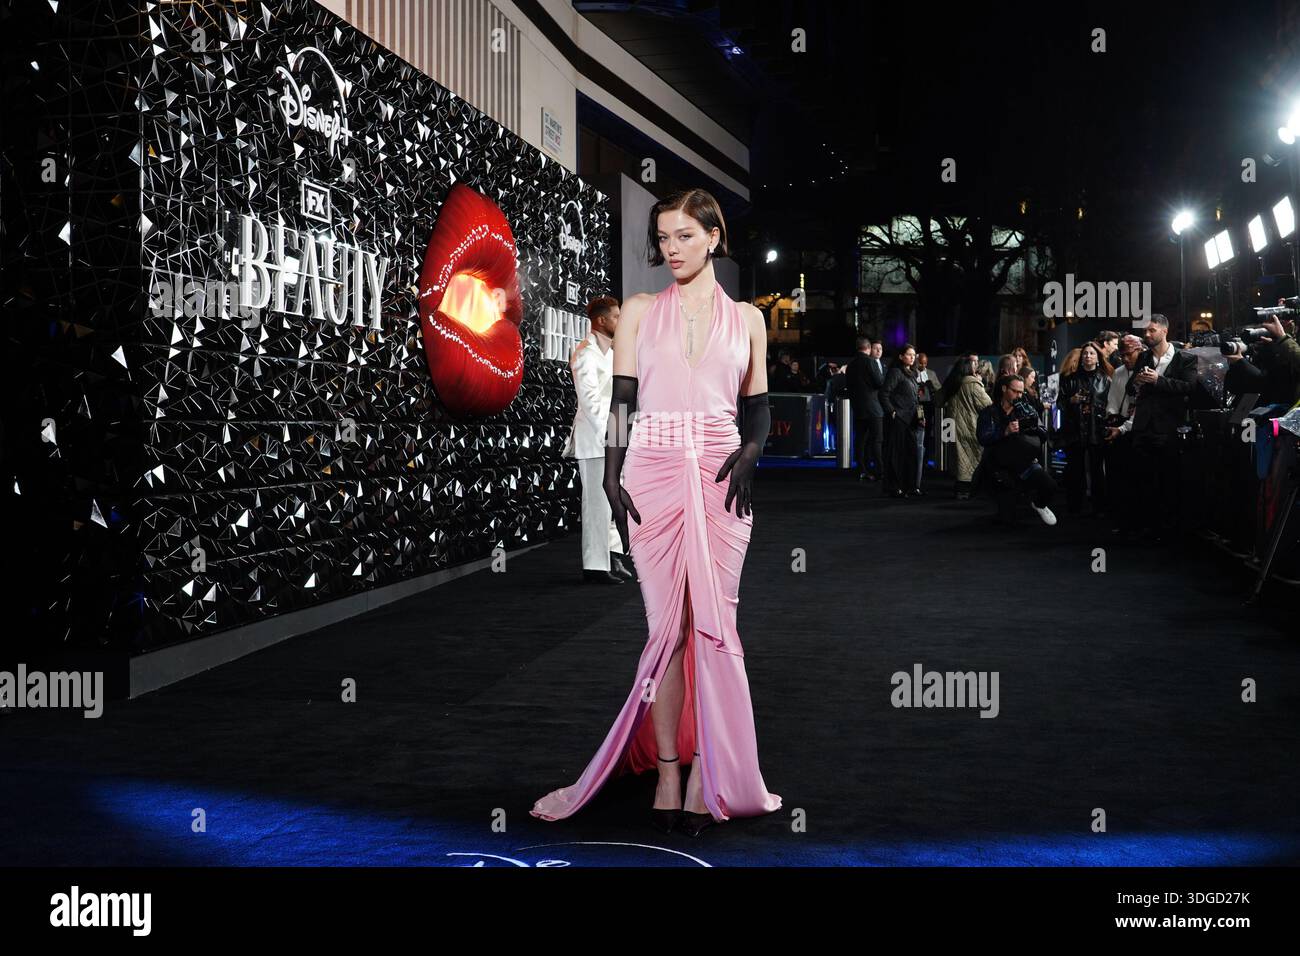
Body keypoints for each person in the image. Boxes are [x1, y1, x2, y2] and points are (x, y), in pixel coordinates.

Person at [531, 188, 781, 837]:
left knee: (714, 627)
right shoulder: (640, 312)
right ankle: (669, 770)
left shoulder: (749, 319)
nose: (670, 249)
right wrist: (612, 476)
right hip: (655, 472)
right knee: (666, 630)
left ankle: (709, 772)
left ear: (714, 238)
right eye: (663, 238)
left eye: (683, 237)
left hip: (723, 476)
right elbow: (621, 401)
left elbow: (757, 406)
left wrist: (753, 451)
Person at [563, 296, 634, 584]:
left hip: (615, 434)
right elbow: (590, 400)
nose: (621, 321)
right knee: (596, 503)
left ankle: (614, 555)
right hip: (595, 438)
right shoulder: (584, 354)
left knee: (616, 496)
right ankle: (594, 565)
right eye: (616, 316)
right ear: (601, 320)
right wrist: (609, 434)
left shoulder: (615, 352)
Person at [1127, 313, 1199, 541]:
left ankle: (1169, 529)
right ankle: (1148, 526)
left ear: (1164, 331)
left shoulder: (1184, 359)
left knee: (1168, 480)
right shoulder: (1143, 358)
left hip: (1168, 428)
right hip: (1143, 428)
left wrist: (1158, 380)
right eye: (1145, 331)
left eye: (1151, 330)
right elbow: (1130, 388)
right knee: (1143, 480)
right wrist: (1137, 381)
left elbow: (1189, 387)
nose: (1147, 334)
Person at [976, 374, 1058, 526]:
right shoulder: (989, 412)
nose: (1019, 395)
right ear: (1004, 389)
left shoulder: (1027, 409)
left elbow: (1044, 433)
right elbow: (983, 438)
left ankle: (1038, 504)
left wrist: (1029, 427)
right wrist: (1004, 431)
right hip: (1000, 467)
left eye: (1021, 392)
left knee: (1050, 487)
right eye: (1015, 391)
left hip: (1026, 463)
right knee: (1007, 520)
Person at [1058, 341, 1111, 515]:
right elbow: (1059, 403)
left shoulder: (1105, 378)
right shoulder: (1069, 377)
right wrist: (1071, 401)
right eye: (1085, 353)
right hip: (1074, 428)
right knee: (1075, 470)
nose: (1088, 356)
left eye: (1091, 353)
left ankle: (1099, 507)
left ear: (1098, 357)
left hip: (1096, 428)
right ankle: (1074, 507)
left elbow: (1109, 404)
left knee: (1097, 471)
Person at [944, 355, 991, 499]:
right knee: (971, 458)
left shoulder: (951, 383)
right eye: (974, 363)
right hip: (970, 425)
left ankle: (960, 489)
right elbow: (988, 405)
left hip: (951, 426)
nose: (977, 365)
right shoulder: (973, 385)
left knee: (958, 457)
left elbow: (938, 400)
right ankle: (967, 491)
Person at [879, 344, 924, 498]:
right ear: (900, 356)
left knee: (911, 454)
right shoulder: (895, 372)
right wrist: (892, 411)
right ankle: (894, 487)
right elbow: (884, 394)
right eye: (909, 354)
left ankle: (909, 486)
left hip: (911, 419)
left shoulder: (912, 373)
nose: (913, 357)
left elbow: (916, 399)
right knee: (896, 454)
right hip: (898, 419)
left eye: (914, 354)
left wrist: (920, 416)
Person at [845, 335, 886, 482]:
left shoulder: (851, 365)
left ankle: (862, 469)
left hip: (858, 407)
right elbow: (880, 382)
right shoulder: (871, 362)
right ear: (868, 348)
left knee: (861, 440)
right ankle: (880, 470)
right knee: (877, 440)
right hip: (874, 408)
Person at [914, 352, 943, 490]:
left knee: (928, 431)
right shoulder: (912, 372)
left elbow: (938, 389)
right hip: (917, 405)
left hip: (929, 405)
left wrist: (930, 385)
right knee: (918, 431)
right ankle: (916, 460)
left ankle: (925, 461)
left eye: (925, 363)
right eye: (921, 363)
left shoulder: (931, 373)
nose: (923, 366)